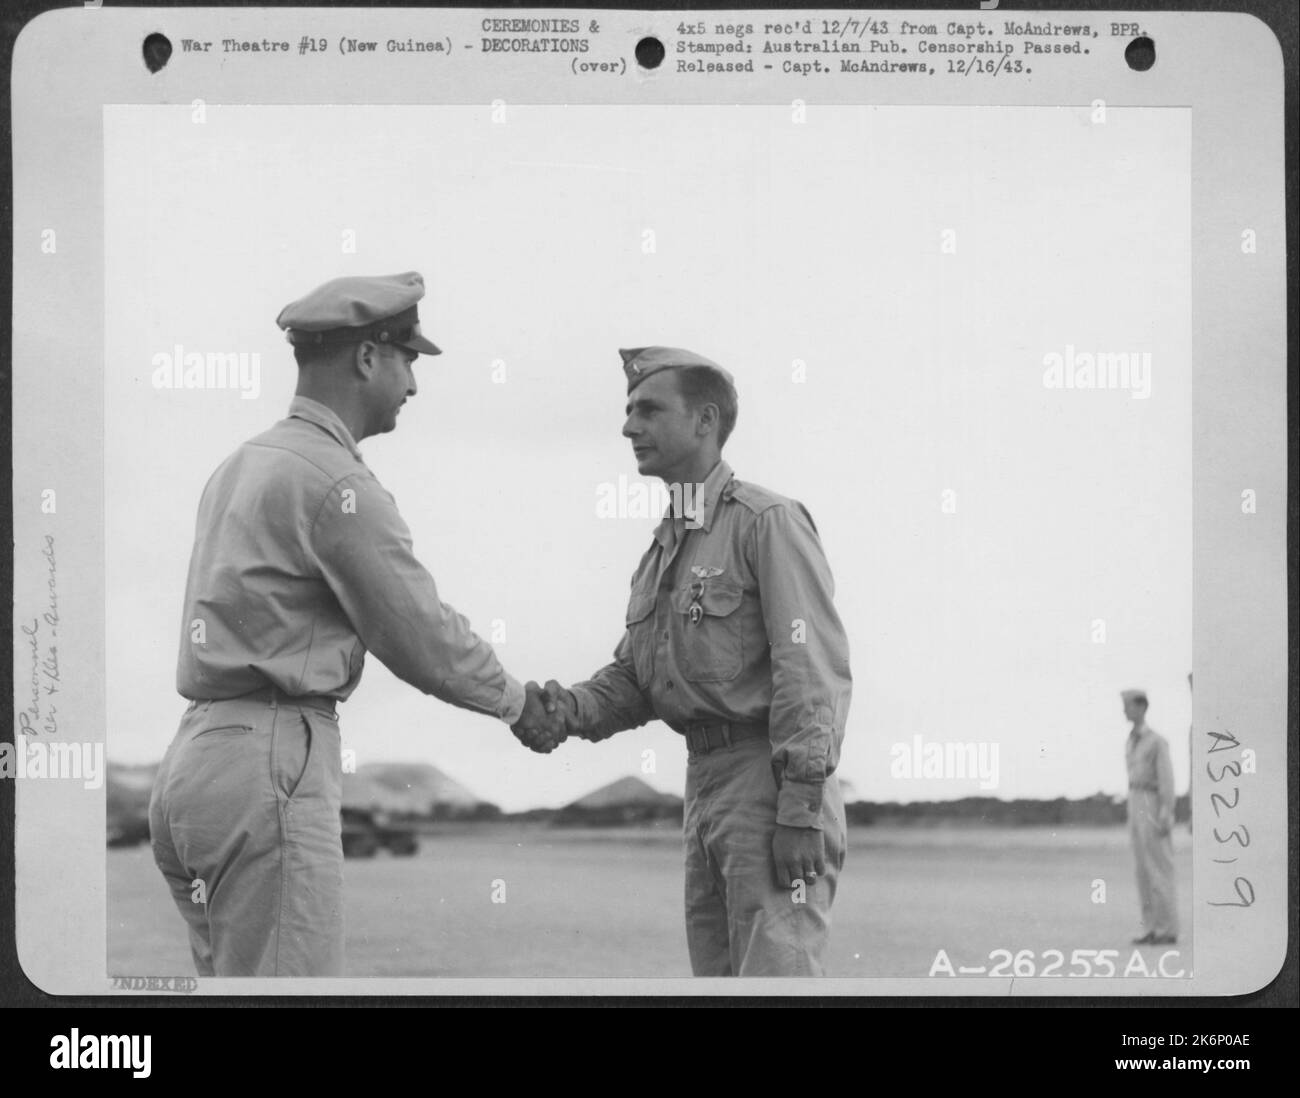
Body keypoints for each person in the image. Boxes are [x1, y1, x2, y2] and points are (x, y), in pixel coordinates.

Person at [148, 272, 555, 977]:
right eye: (408, 359)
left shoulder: (240, 465)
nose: (414, 385)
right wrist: (520, 704)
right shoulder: (335, 481)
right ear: (368, 357)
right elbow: (418, 633)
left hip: (194, 758)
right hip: (271, 757)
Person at [531, 346, 852, 976]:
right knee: (717, 986)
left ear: (705, 421)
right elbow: (637, 679)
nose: (628, 426)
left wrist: (799, 811)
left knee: (777, 982)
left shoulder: (766, 522)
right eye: (627, 411)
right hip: (703, 785)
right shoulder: (664, 548)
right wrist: (564, 710)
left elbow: (810, 668)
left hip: (767, 783)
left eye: (648, 410)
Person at [1122, 688, 1178, 945]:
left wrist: (1167, 810)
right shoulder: (1131, 739)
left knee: (1159, 866)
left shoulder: (1157, 741)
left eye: (1129, 705)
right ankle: (1150, 927)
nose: (1125, 710)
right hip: (1134, 801)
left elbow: (1166, 779)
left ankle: (1167, 929)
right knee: (1141, 869)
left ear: (1142, 707)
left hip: (1152, 801)